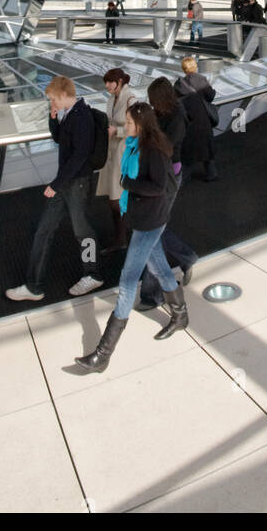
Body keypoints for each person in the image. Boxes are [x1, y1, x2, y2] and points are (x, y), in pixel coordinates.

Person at [75, 102, 186, 372]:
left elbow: (158, 186)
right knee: (159, 267)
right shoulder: (137, 144)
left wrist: (128, 184)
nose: (127, 126)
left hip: (149, 221)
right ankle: (180, 316)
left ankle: (103, 354)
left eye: (130, 122)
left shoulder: (154, 150)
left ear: (143, 124)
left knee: (126, 283)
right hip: (142, 218)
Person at [5, 75, 104, 301]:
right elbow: (61, 140)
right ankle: (34, 286)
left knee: (83, 232)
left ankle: (93, 273)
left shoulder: (83, 117)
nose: (52, 103)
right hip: (66, 182)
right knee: (44, 230)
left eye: (53, 100)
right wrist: (53, 119)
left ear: (63, 95)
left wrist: (56, 184)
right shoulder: (69, 114)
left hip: (77, 183)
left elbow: (80, 156)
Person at [138, 79, 197, 309]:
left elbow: (166, 147)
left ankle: (152, 293)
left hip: (168, 178)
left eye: (154, 101)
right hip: (159, 175)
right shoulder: (161, 113)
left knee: (152, 234)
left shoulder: (176, 117)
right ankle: (186, 257)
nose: (153, 105)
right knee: (156, 232)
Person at [97, 67, 137, 250]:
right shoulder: (111, 99)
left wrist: (117, 131)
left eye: (110, 82)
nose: (107, 85)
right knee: (114, 197)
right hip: (112, 151)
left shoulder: (131, 99)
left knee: (116, 197)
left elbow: (137, 128)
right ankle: (123, 236)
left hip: (123, 153)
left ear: (120, 81)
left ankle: (121, 239)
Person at [174, 56, 218, 181]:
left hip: (187, 120)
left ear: (184, 69)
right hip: (202, 118)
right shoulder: (201, 79)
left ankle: (184, 177)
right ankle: (211, 173)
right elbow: (210, 96)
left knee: (188, 149)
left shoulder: (178, 84)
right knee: (207, 147)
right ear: (195, 67)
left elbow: (175, 101)